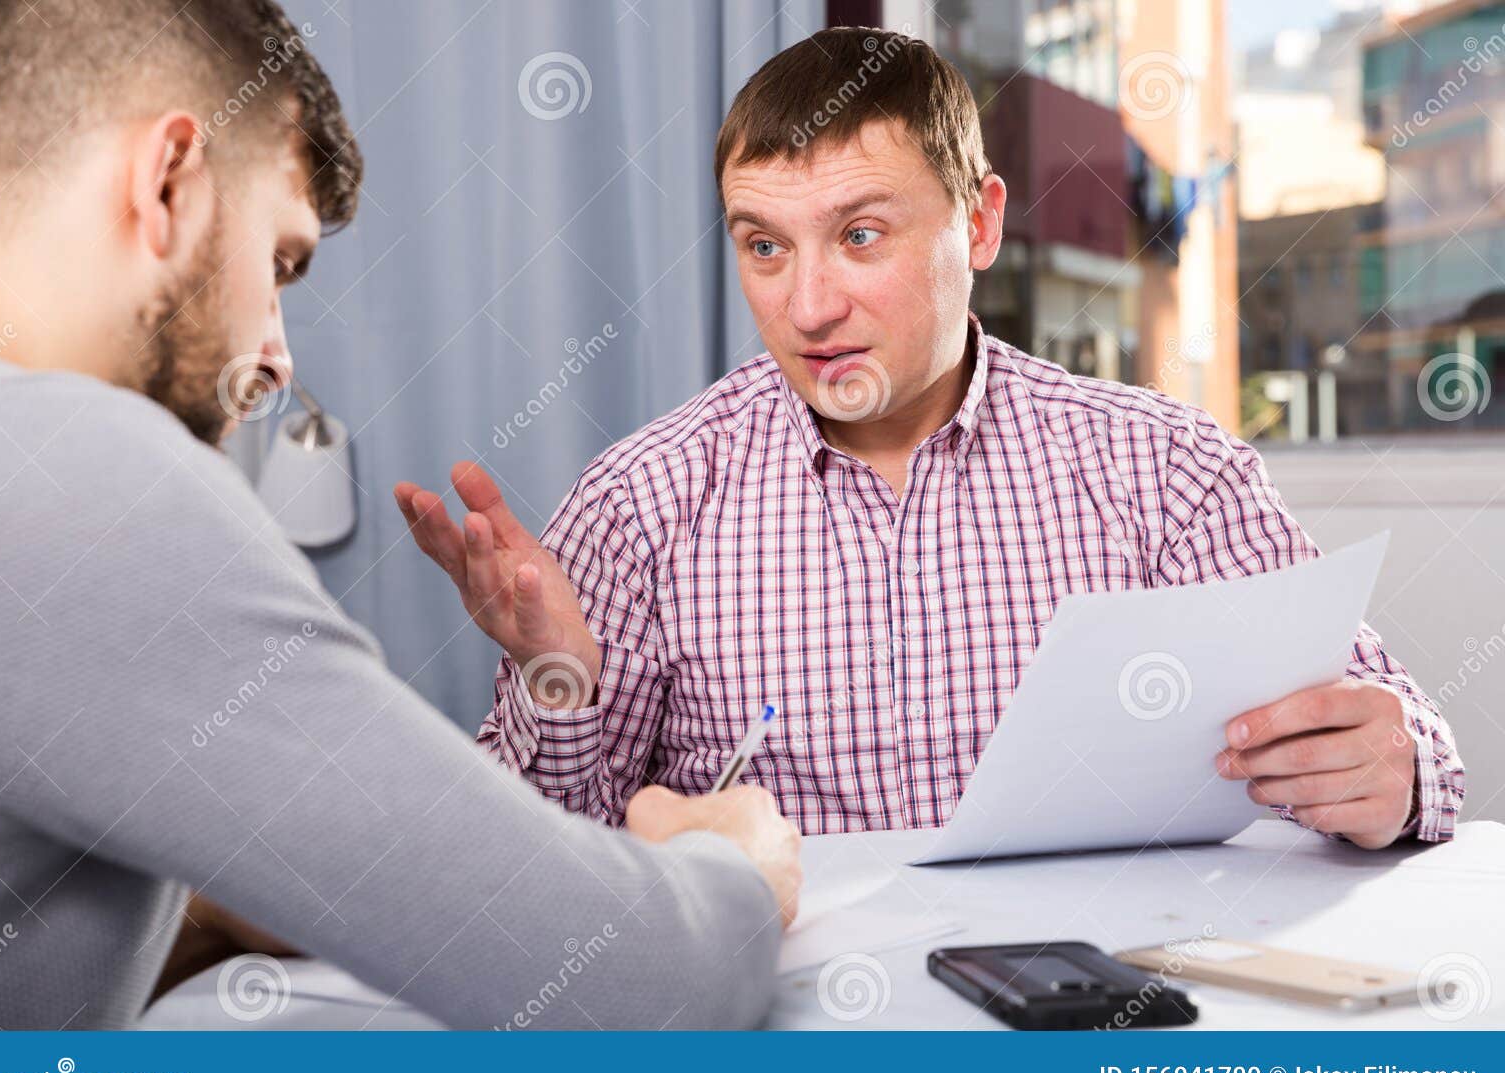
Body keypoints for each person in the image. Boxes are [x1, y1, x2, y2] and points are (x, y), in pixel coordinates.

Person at [0, 0, 799, 1031]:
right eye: (279, 265)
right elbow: (648, 989)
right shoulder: (67, 473)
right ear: (167, 182)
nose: (279, 358)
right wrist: (734, 859)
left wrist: (206, 914)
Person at [396, 28, 1464, 848]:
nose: (807, 305)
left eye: (860, 235)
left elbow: (1401, 732)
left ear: (981, 223)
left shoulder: (1165, 471)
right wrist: (557, 673)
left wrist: (1394, 768)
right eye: (764, 246)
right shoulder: (639, 503)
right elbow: (533, 870)